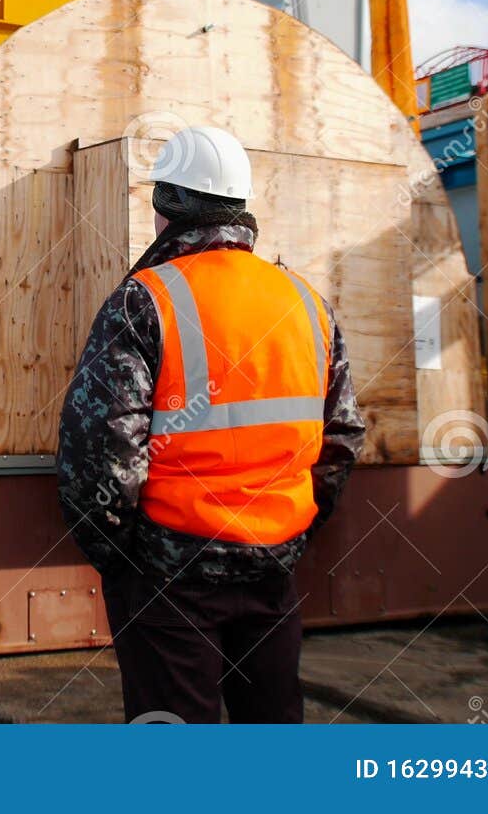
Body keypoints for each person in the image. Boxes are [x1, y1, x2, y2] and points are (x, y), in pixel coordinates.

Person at [57, 125, 366, 724]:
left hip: (170, 571)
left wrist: (120, 556)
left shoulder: (144, 298)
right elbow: (343, 438)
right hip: (273, 562)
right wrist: (293, 529)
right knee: (271, 722)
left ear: (166, 207)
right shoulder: (305, 302)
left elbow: (101, 451)